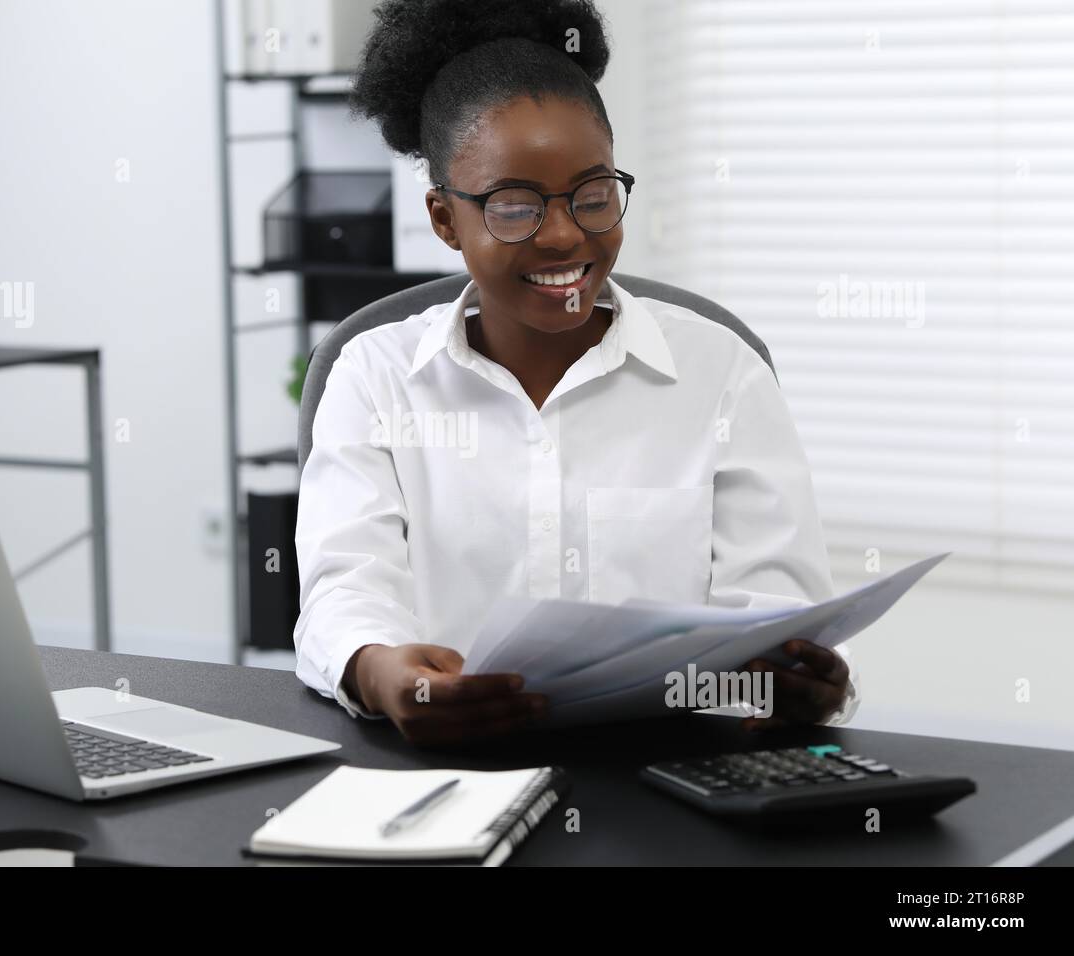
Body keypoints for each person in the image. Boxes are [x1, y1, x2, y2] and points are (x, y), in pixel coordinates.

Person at [293, 0, 858, 745]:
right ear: (443, 218)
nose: (564, 236)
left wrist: (791, 683)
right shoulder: (375, 375)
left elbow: (777, 612)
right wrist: (384, 673)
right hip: (443, 773)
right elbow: (346, 587)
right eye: (515, 207)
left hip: (674, 780)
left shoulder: (719, 372)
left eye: (593, 197)